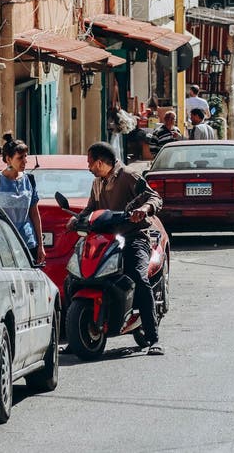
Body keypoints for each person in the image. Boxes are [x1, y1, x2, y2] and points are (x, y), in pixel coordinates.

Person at [70, 142, 164, 355]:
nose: (88, 167)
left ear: (100, 162)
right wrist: (77, 219)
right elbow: (91, 208)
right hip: (105, 239)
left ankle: (153, 338)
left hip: (133, 237)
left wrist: (144, 209)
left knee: (139, 277)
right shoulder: (97, 182)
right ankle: (77, 333)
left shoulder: (128, 176)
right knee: (74, 278)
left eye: (89, 162)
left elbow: (155, 197)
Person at [0, 132, 45, 265]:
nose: (25, 161)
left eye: (26, 157)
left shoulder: (29, 180)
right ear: (8, 159)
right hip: (3, 246)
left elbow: (34, 214)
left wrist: (40, 245)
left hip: (28, 244)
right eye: (20, 158)